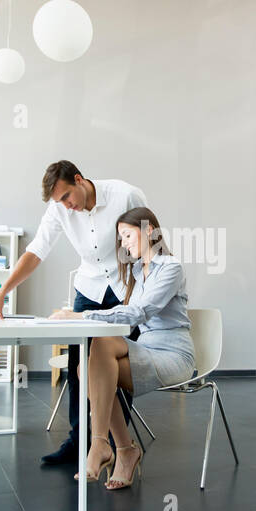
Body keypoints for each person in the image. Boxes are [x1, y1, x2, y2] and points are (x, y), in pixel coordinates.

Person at [0, 160, 148, 467]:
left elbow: (149, 244)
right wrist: (2, 293)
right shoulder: (59, 209)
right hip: (89, 290)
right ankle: (79, 442)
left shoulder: (125, 195)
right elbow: (37, 250)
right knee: (80, 368)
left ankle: (116, 445)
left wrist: (142, 297)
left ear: (79, 180)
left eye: (67, 197)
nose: (67, 206)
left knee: (118, 366)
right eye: (60, 202)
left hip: (125, 290)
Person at [50, 206, 194, 490]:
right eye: (122, 239)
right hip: (147, 349)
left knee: (95, 359)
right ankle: (118, 449)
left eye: (128, 235)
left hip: (174, 355)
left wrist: (83, 314)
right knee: (85, 366)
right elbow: (125, 313)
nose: (125, 244)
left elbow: (137, 312)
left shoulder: (170, 268)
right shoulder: (138, 273)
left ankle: (107, 446)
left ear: (148, 230)